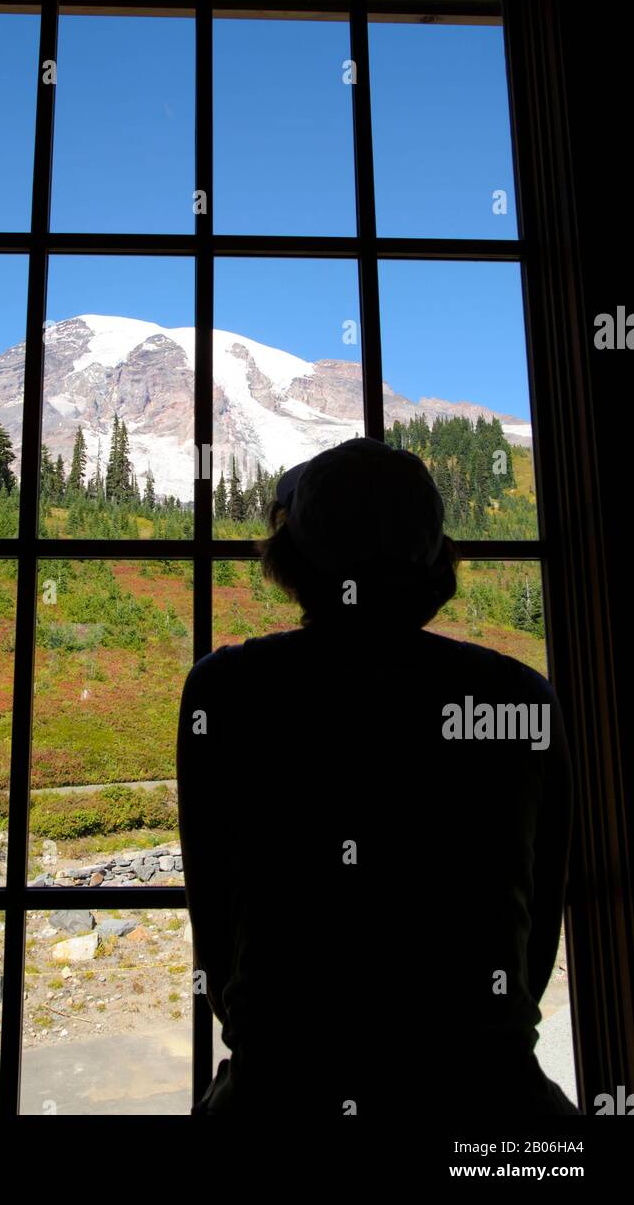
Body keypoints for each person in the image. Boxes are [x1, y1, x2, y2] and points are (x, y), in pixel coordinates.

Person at [176, 437, 580, 1117]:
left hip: (280, 1088)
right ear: (433, 555)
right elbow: (535, 924)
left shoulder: (228, 689)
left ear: (293, 561)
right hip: (488, 1088)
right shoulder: (515, 695)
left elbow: (215, 920)